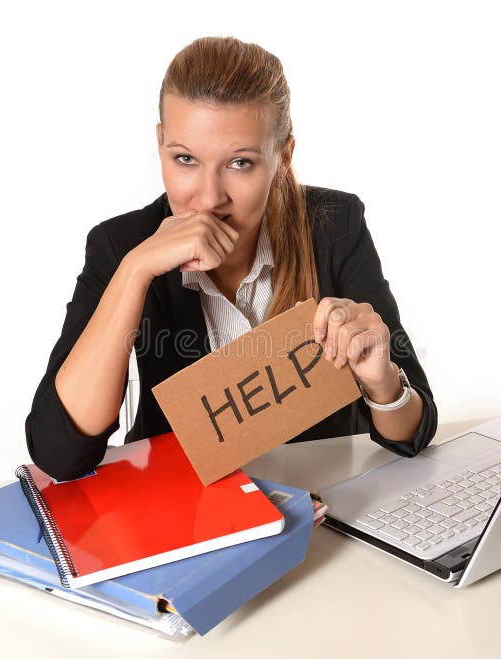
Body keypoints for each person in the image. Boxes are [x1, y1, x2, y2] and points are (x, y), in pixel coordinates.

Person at [24, 37, 439, 524]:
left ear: (282, 156)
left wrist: (381, 382)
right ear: (159, 144)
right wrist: (135, 271)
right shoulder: (120, 245)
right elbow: (59, 453)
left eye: (240, 163)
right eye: (184, 160)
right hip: (186, 516)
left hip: (322, 516)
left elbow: (412, 432)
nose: (208, 197)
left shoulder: (335, 225)